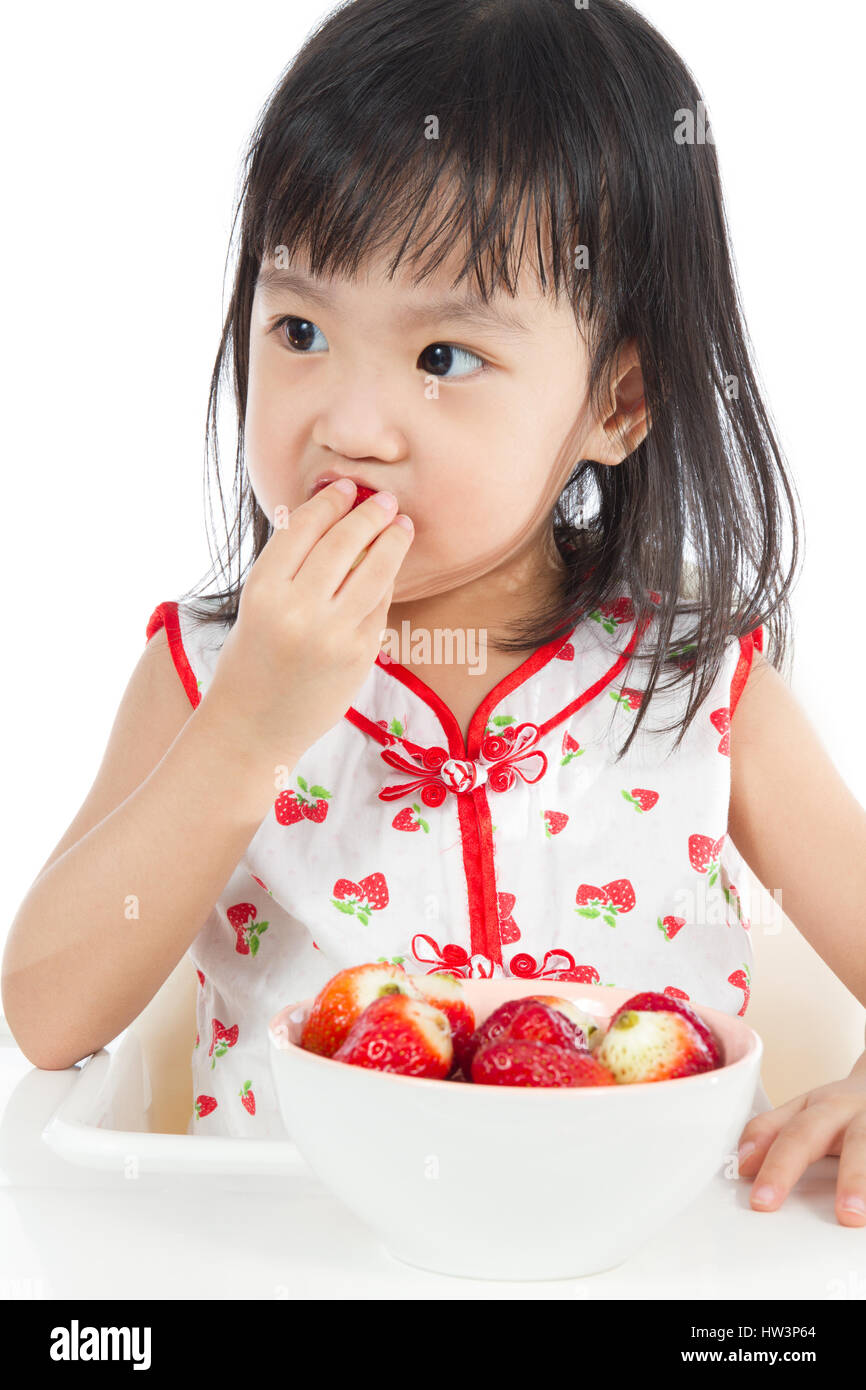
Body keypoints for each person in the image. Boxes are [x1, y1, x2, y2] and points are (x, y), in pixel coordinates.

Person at [5, 0, 866, 1227]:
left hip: (633, 1269)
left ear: (615, 403)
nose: (348, 424)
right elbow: (46, 1015)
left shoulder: (694, 689)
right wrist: (247, 732)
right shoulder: (206, 675)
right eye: (299, 329)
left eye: (443, 357)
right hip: (291, 1269)